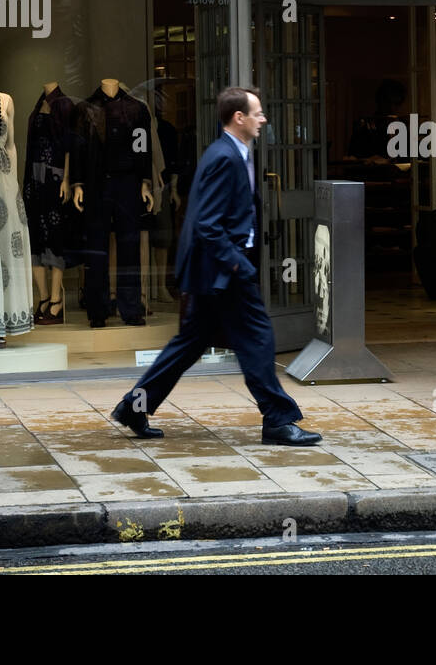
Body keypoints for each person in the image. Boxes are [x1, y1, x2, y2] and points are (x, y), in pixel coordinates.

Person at [110, 87, 320, 446]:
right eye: (257, 113)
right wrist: (238, 263)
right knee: (258, 339)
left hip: (216, 271)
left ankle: (134, 408)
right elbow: (207, 223)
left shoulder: (233, 152)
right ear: (239, 118)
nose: (263, 119)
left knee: (188, 345)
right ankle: (277, 420)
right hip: (223, 271)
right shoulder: (224, 156)